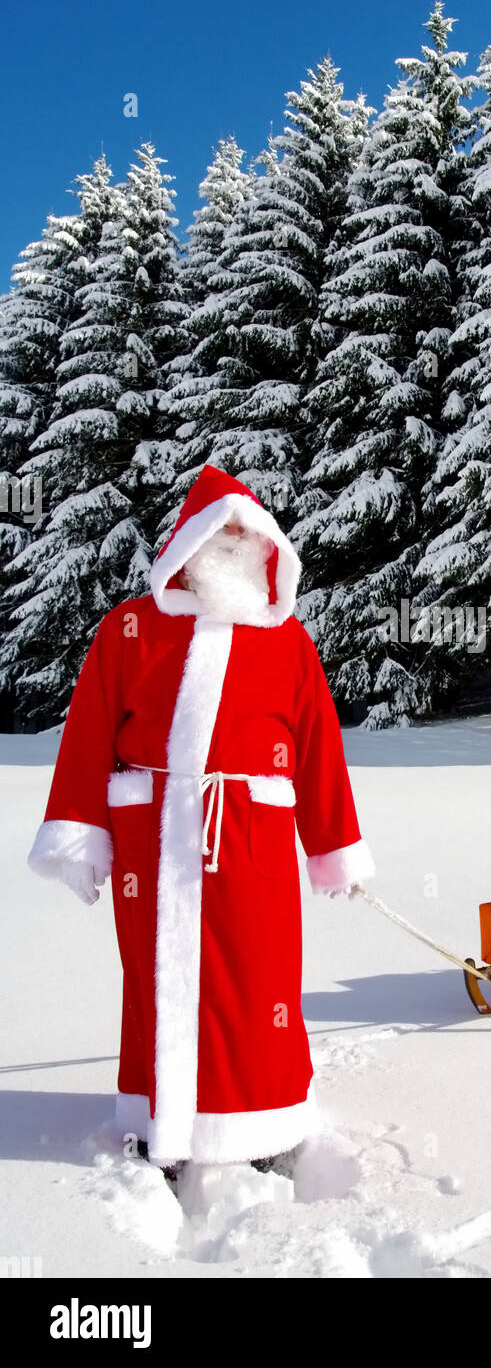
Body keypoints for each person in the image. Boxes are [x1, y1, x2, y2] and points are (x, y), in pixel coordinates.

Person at [27, 464, 374, 1180]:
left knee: (258, 979)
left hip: (252, 837)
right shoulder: (129, 628)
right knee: (155, 978)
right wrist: (81, 837)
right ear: (189, 542)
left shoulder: (287, 639)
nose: (235, 543)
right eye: (222, 532)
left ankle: (262, 1117)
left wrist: (334, 846)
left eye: (248, 534)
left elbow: (317, 748)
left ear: (268, 547)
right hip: (151, 837)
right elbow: (88, 733)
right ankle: (158, 1118)